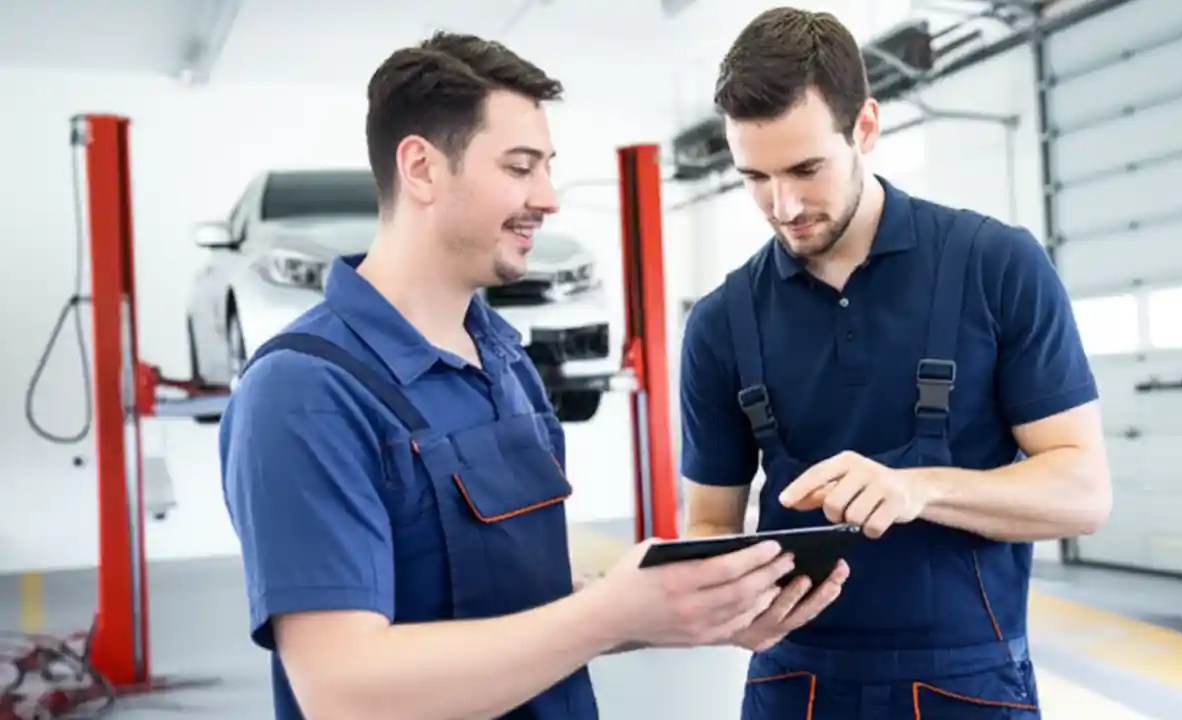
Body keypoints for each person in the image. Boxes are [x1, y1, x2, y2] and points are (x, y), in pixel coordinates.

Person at [219, 31, 826, 720]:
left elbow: (521, 610)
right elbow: (342, 692)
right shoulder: (303, 394)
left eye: (547, 168)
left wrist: (679, 611)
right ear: (421, 168)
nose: (549, 197)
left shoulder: (506, 365)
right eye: (519, 167)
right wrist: (607, 614)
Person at [678, 8, 1113, 719]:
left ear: (866, 127)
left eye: (806, 169)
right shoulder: (720, 322)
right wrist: (726, 606)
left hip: (967, 688)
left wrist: (920, 490)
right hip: (792, 687)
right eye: (754, 176)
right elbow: (708, 523)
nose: (783, 205)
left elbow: (1084, 494)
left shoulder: (996, 266)